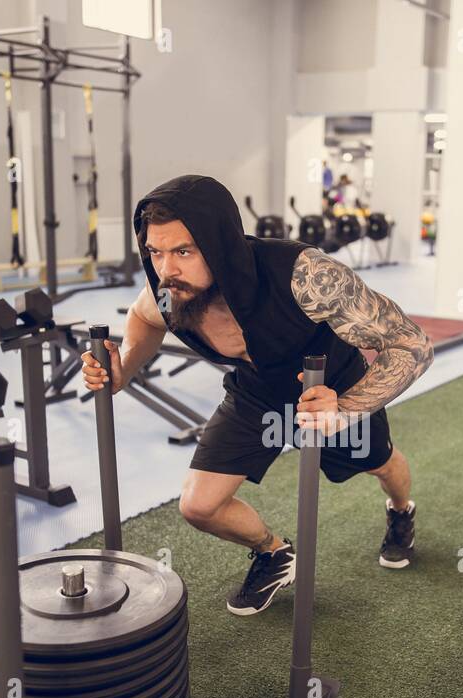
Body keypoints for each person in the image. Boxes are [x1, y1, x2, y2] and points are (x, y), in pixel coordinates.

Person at [82, 175, 433, 616]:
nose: (165, 269)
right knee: (199, 506)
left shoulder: (305, 276)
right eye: (155, 252)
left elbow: (412, 345)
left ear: (221, 244)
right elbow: (144, 317)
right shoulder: (170, 292)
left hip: (332, 388)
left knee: (380, 463)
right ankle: (273, 552)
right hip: (257, 392)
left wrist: (346, 409)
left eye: (183, 251)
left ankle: (401, 511)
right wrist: (123, 371)